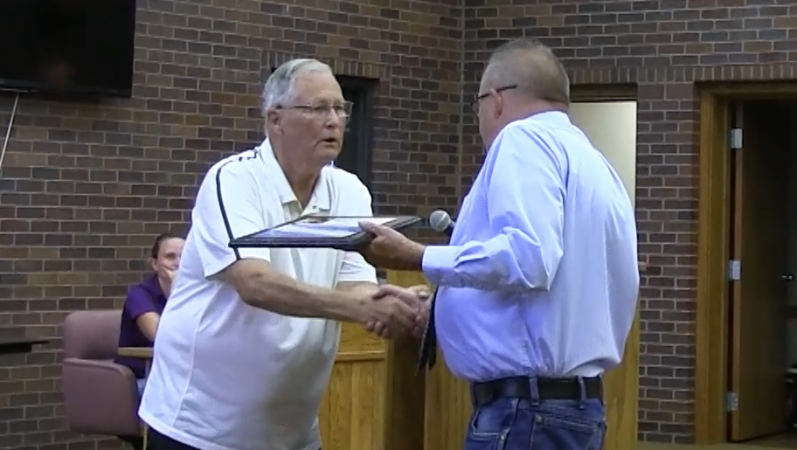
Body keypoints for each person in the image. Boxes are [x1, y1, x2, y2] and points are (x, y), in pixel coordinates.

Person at [359, 39, 640, 450]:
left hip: (525, 412)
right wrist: (439, 310)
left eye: (477, 107)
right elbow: (553, 294)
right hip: (573, 408)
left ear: (495, 101)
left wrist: (416, 256)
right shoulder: (595, 164)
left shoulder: (521, 139)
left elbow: (529, 259)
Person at [138, 58, 428, 450]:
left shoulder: (350, 190)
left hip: (293, 433)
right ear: (276, 120)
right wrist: (362, 308)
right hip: (200, 429)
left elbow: (355, 285)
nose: (334, 121)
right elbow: (254, 283)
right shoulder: (233, 180)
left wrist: (397, 302)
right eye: (318, 108)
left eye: (341, 108)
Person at [114, 232, 184, 395]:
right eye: (170, 257)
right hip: (141, 377)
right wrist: (177, 288)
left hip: (177, 376)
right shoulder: (139, 294)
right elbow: (159, 335)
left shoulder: (198, 295)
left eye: (184, 257)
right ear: (155, 263)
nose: (179, 263)